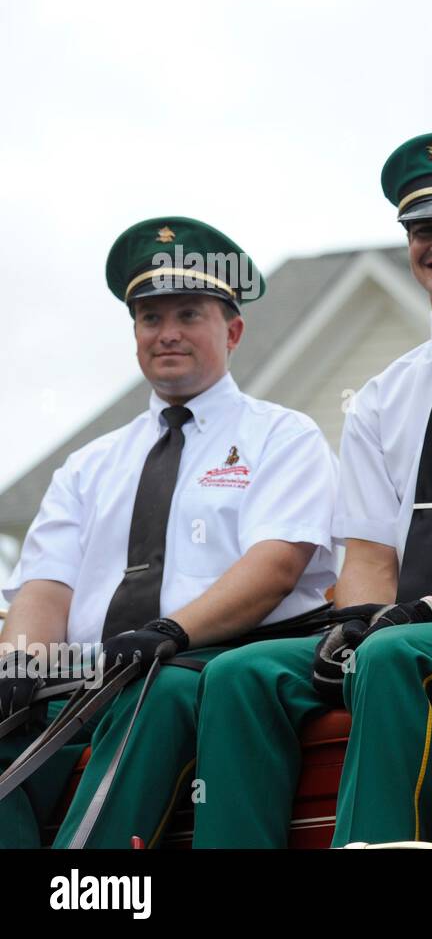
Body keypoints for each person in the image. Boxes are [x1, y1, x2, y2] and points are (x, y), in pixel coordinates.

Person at [191, 132, 432, 847]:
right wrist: (359, 622)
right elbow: (367, 557)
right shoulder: (377, 397)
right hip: (401, 627)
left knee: (392, 656)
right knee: (239, 674)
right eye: (424, 230)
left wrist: (425, 613)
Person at [0, 217, 337, 848]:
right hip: (91, 668)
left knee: (152, 693)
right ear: (134, 335)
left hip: (203, 659)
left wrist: (166, 633)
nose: (168, 334)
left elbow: (274, 568)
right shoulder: (90, 463)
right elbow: (45, 586)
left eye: (189, 315)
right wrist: (21, 662)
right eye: (150, 318)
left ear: (232, 331)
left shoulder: (282, 436)